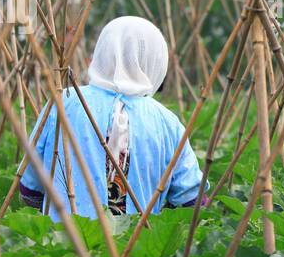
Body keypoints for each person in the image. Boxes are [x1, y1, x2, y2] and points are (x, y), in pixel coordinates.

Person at [19, 16, 204, 221]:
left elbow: (29, 189)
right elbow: (192, 202)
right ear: (156, 61)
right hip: (136, 247)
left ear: (103, 52)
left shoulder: (64, 103)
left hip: (63, 243)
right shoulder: (168, 123)